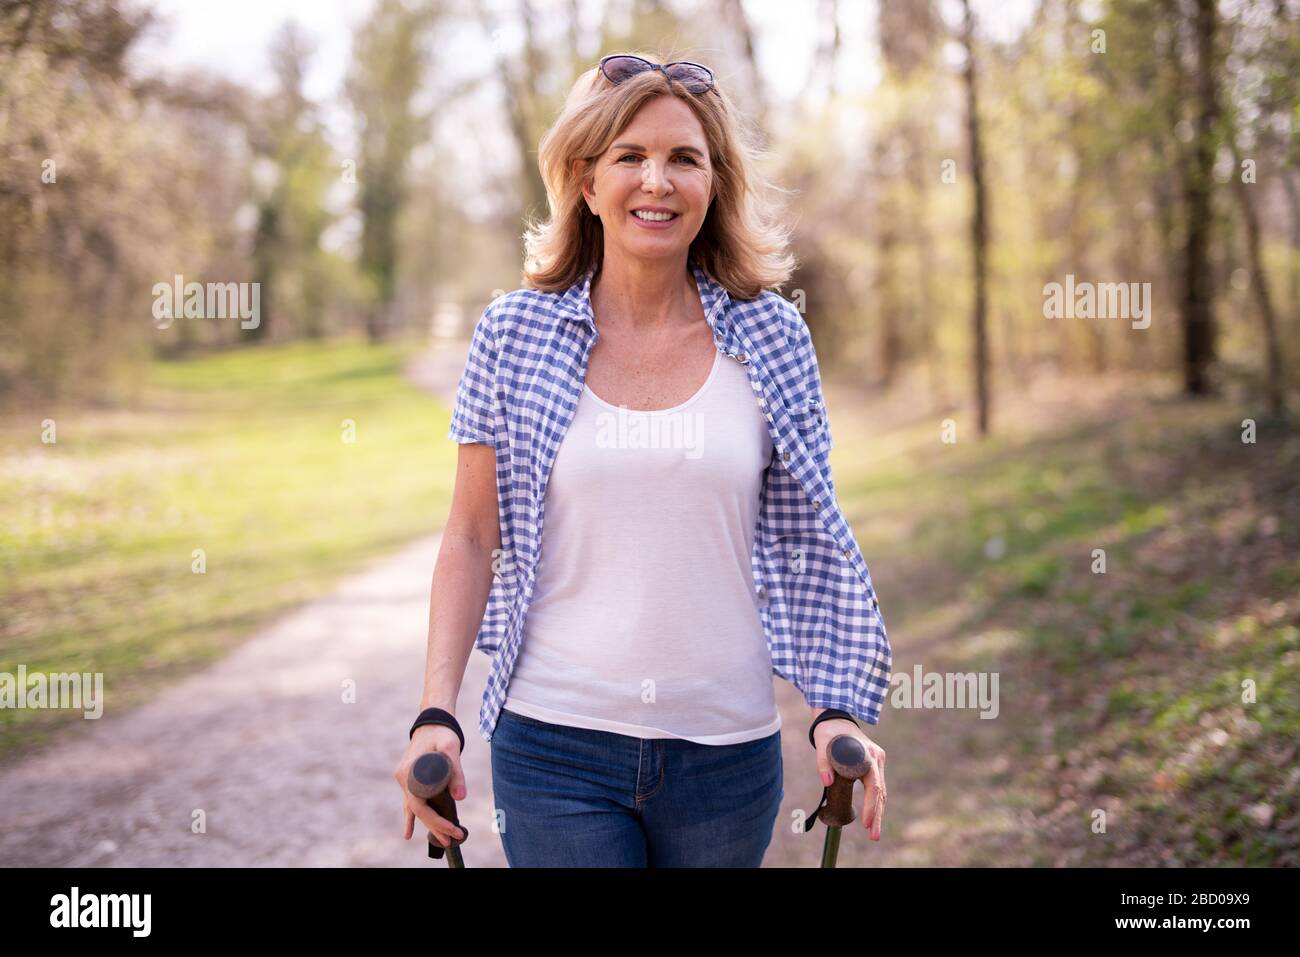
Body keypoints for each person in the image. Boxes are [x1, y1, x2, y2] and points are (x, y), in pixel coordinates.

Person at [395, 50, 891, 867]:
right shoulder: (513, 334)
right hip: (553, 745)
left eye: (683, 159)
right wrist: (435, 714)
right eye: (630, 156)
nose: (656, 181)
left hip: (728, 754)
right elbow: (471, 537)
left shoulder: (773, 338)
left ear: (714, 185)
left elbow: (808, 538)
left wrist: (833, 709)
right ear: (587, 182)